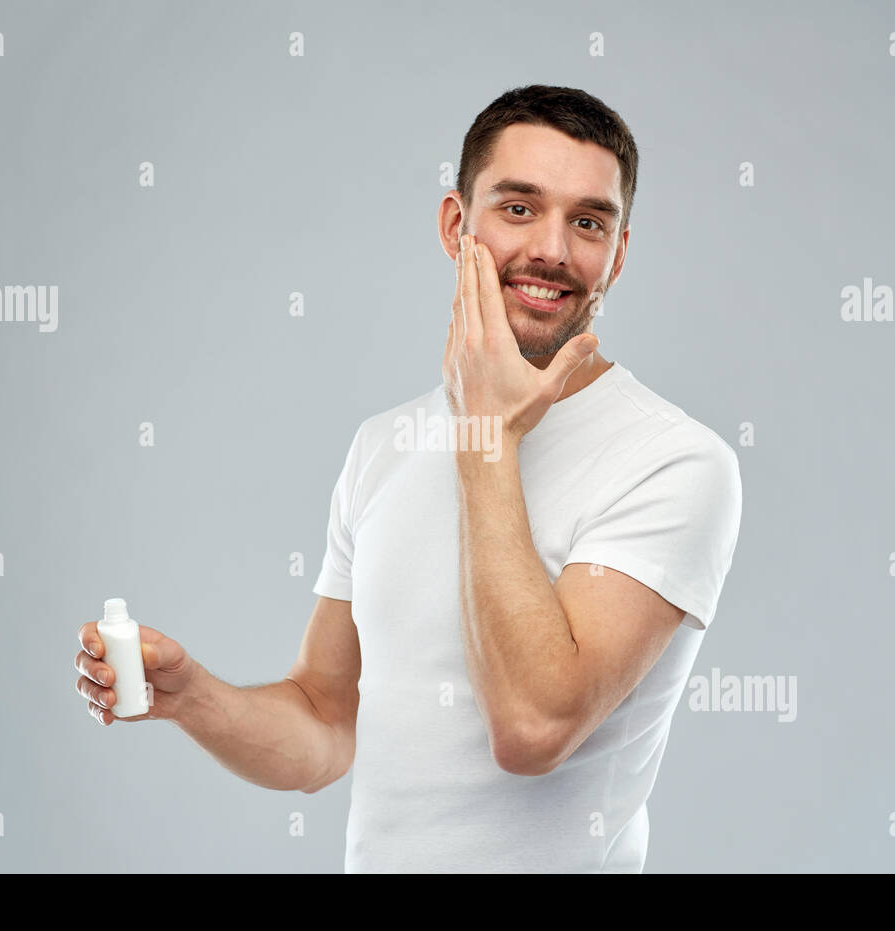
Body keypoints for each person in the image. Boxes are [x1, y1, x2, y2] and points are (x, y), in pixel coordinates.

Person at [75, 85, 742, 873]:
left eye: (588, 222)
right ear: (458, 226)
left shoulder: (674, 461)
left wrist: (485, 433)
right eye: (519, 208)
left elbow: (532, 729)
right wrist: (195, 698)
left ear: (618, 255)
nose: (554, 251)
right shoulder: (381, 446)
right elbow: (325, 722)